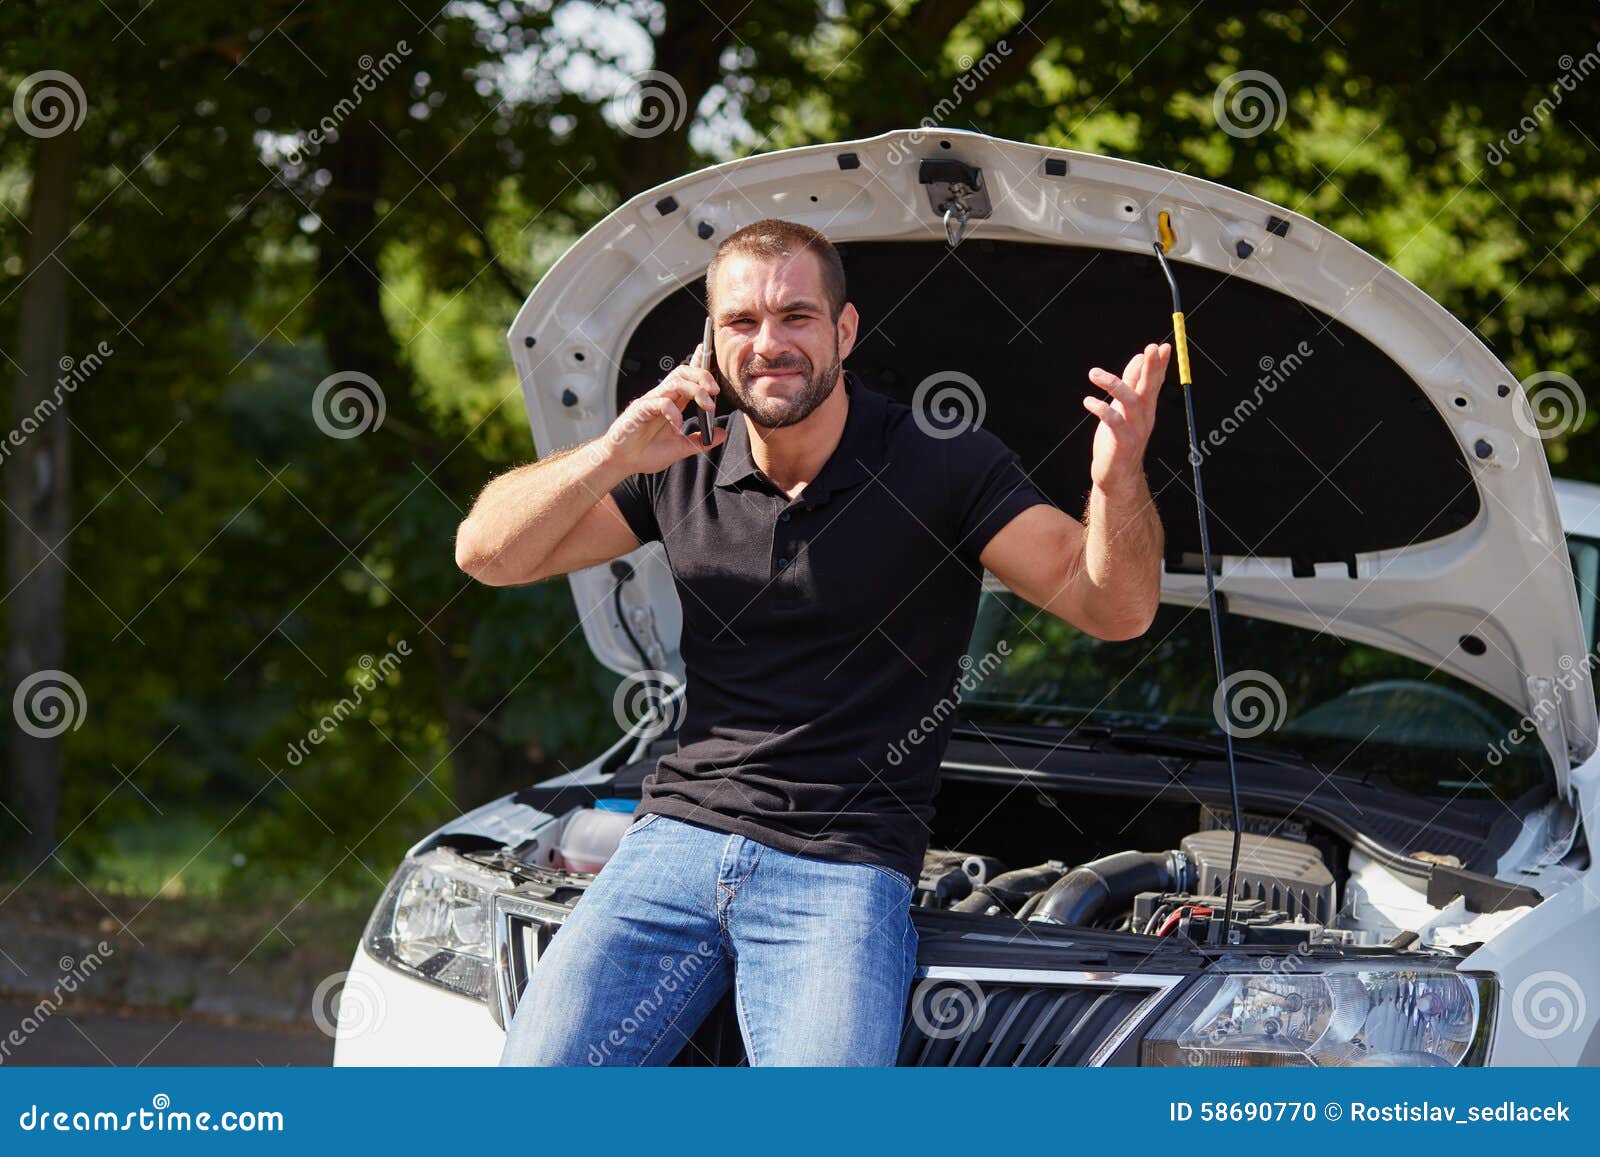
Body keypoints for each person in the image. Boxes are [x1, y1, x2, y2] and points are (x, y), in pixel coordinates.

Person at [455, 218, 1169, 1065]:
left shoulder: (942, 462)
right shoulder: (676, 456)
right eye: (741, 323)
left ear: (844, 330)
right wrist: (614, 452)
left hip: (841, 867)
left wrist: (1117, 479)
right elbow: (485, 553)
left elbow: (1114, 608)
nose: (769, 344)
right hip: (673, 840)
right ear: (711, 341)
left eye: (796, 316)